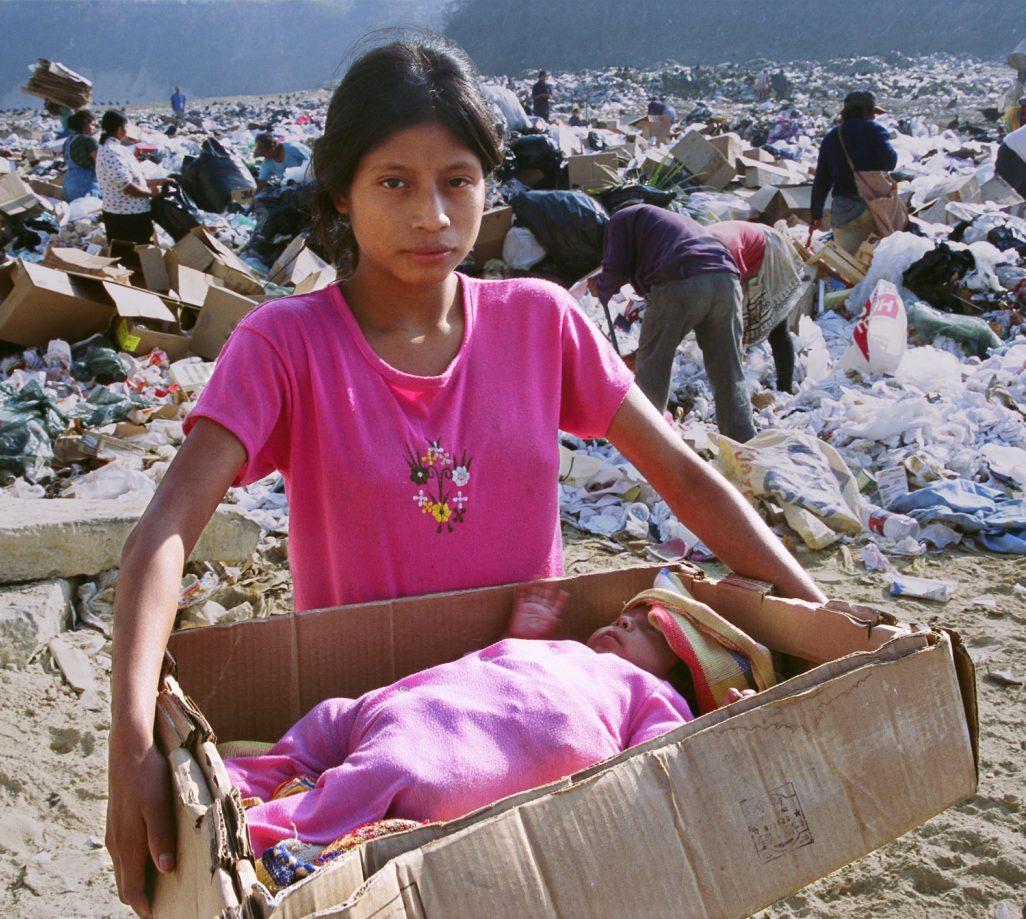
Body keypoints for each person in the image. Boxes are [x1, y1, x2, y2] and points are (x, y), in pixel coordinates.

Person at [105, 37, 825, 917]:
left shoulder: (540, 323)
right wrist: (130, 746)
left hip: (539, 747)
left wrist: (820, 618)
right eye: (394, 182)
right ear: (342, 193)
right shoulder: (285, 346)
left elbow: (685, 478)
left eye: (457, 180)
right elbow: (165, 532)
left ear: (489, 189)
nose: (433, 217)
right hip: (370, 746)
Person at [225, 570, 769, 859]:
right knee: (330, 717)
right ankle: (250, 778)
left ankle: (253, 831)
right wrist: (523, 638)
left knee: (381, 775)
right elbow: (498, 681)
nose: (629, 623)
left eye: (654, 632)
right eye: (629, 615)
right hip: (408, 707)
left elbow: (666, 758)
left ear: (682, 676)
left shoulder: (651, 695)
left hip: (448, 758)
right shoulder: (565, 653)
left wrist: (723, 730)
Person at [589, 204, 756, 442]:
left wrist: (601, 287)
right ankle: (744, 441)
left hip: (680, 280)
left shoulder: (619, 220)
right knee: (728, 368)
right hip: (726, 280)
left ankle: (646, 442)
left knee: (653, 366)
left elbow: (614, 270)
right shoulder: (666, 223)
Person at [707, 221, 806, 393]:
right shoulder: (697, 250)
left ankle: (785, 388)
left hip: (769, 250)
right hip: (746, 253)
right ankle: (732, 386)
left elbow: (730, 296)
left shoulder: (726, 254)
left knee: (777, 327)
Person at [810, 90, 898, 255]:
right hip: (873, 205)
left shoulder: (832, 137)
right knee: (875, 263)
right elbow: (890, 162)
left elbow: (822, 179)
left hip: (843, 209)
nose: (874, 117)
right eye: (873, 113)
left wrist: (816, 213)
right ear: (865, 111)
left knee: (848, 266)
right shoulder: (875, 130)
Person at [95, 109, 171, 245]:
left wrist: (158, 181)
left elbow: (134, 180)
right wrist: (152, 192)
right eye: (126, 126)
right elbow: (126, 187)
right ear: (120, 129)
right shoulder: (112, 151)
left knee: (130, 259)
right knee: (136, 258)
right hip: (127, 216)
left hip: (125, 213)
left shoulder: (116, 149)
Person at [61, 110, 100, 202]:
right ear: (85, 125)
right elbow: (99, 163)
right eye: (92, 124)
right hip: (86, 185)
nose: (93, 128)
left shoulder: (68, 141)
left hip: (68, 184)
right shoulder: (88, 140)